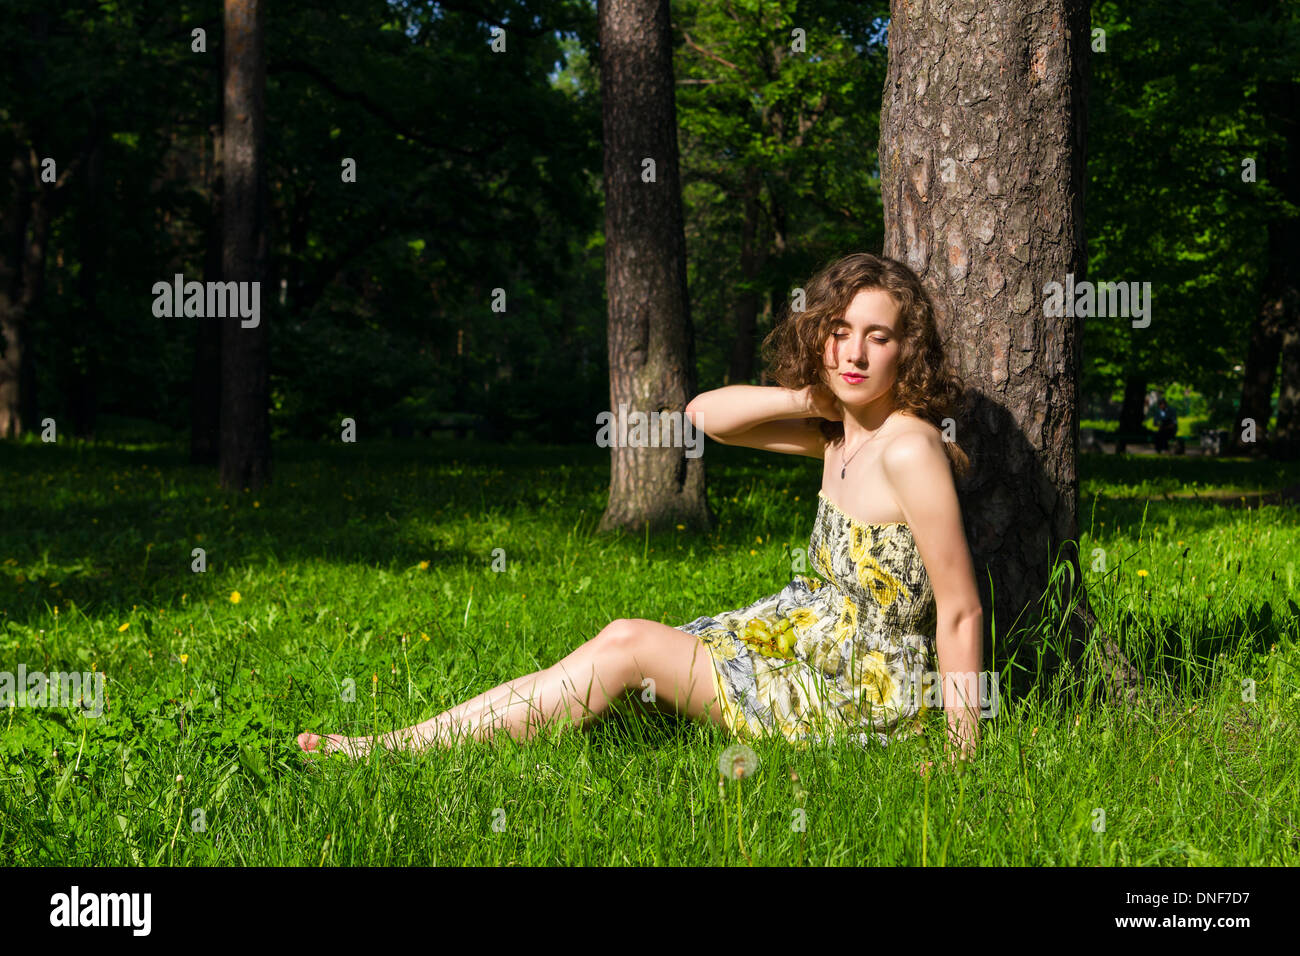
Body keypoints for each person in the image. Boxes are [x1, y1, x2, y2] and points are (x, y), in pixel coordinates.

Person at [297, 252, 985, 767]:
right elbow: (706, 416)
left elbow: (960, 610)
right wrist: (816, 396)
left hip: (860, 692)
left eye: (878, 337)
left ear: (908, 349)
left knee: (625, 642)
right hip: (802, 642)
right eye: (839, 331)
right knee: (609, 650)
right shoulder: (841, 433)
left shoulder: (908, 451)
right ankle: (396, 744)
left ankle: (387, 752)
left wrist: (961, 753)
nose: (855, 352)